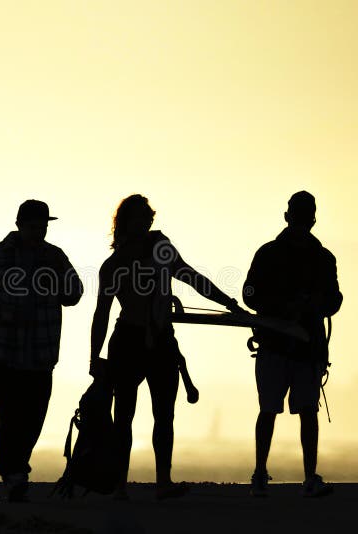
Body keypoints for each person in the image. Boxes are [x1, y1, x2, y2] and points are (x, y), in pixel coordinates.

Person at [90, 194, 242, 500]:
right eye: (140, 217)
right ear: (125, 223)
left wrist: (229, 304)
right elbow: (102, 312)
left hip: (162, 342)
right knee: (123, 416)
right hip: (127, 342)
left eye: (149, 216)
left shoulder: (162, 250)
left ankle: (163, 482)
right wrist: (94, 357)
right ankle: (119, 486)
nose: (147, 221)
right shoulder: (114, 264)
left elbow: (192, 278)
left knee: (164, 416)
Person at [0, 199, 83, 502]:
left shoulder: (55, 257)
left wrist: (57, 282)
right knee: (10, 414)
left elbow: (75, 294)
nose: (39, 231)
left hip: (40, 356)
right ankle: (13, 472)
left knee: (33, 418)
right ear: (19, 225)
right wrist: (4, 311)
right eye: (34, 225)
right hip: (4, 354)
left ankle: (15, 470)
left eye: (43, 225)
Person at [242, 191, 343, 498]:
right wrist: (282, 307)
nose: (300, 221)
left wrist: (314, 304)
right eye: (298, 215)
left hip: (304, 349)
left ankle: (301, 476)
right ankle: (266, 473)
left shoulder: (322, 258)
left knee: (301, 412)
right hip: (277, 345)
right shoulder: (272, 254)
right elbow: (250, 294)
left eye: (302, 215)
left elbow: (334, 300)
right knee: (272, 410)